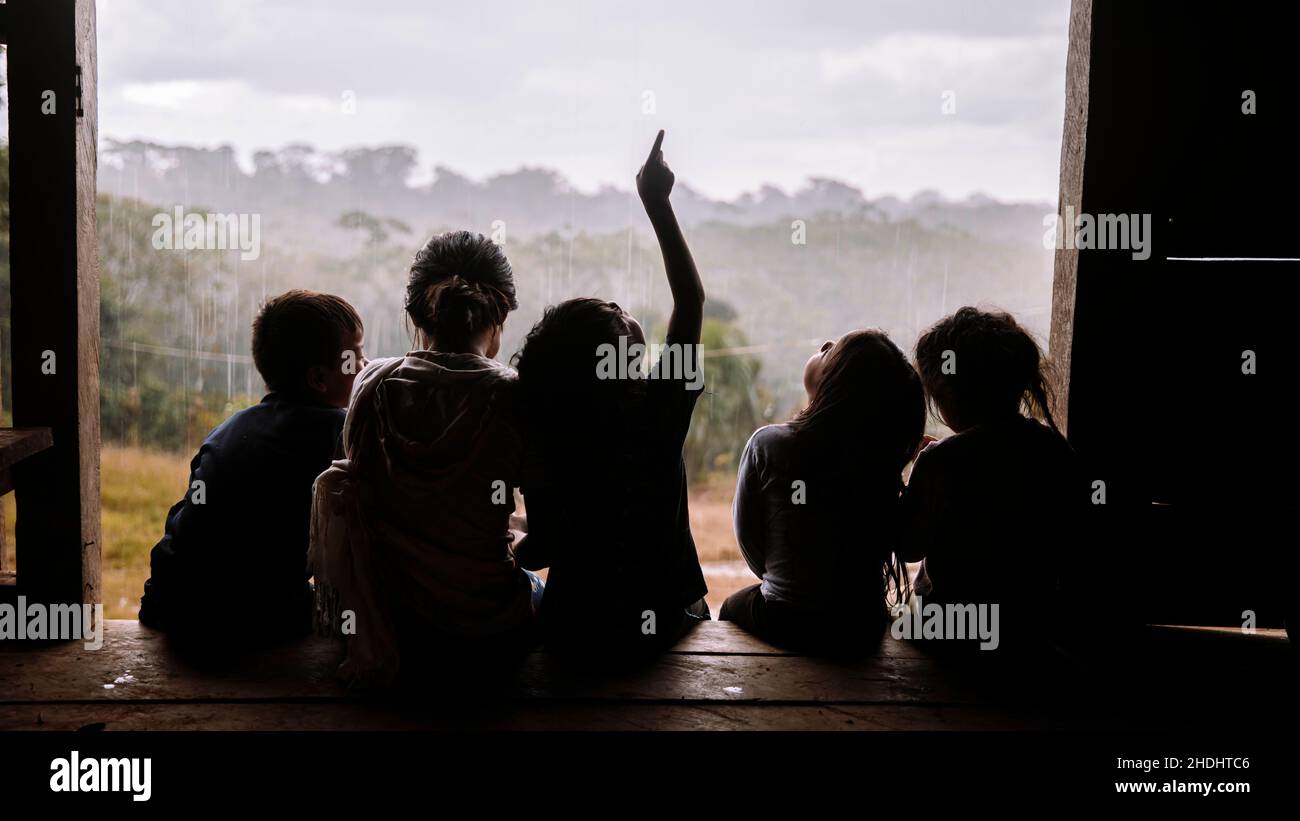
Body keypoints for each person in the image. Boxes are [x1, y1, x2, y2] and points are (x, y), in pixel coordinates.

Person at [310, 231, 540, 687]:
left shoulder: (373, 383)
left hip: (388, 623)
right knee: (539, 591)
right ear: (502, 315)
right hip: (486, 632)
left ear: (415, 313)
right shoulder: (514, 394)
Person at [511, 130, 709, 659]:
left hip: (577, 625)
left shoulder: (547, 435)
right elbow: (689, 300)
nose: (632, 319)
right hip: (666, 619)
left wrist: (511, 548)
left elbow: (543, 549)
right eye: (621, 324)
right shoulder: (659, 414)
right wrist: (657, 206)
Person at [139, 289, 365, 649]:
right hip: (251, 616)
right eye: (355, 357)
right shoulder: (339, 433)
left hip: (173, 602)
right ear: (318, 379)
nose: (365, 365)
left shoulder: (231, 427)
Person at [722, 330, 925, 655]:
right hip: (861, 629)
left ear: (837, 388)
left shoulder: (768, 444)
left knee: (732, 608)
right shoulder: (880, 462)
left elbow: (750, 543)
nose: (825, 345)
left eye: (832, 354)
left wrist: (786, 578)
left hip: (787, 619)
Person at [900, 306, 1082, 650]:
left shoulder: (940, 461)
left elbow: (910, 547)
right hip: (1028, 626)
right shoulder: (1051, 449)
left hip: (953, 628)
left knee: (900, 618)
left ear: (948, 394)